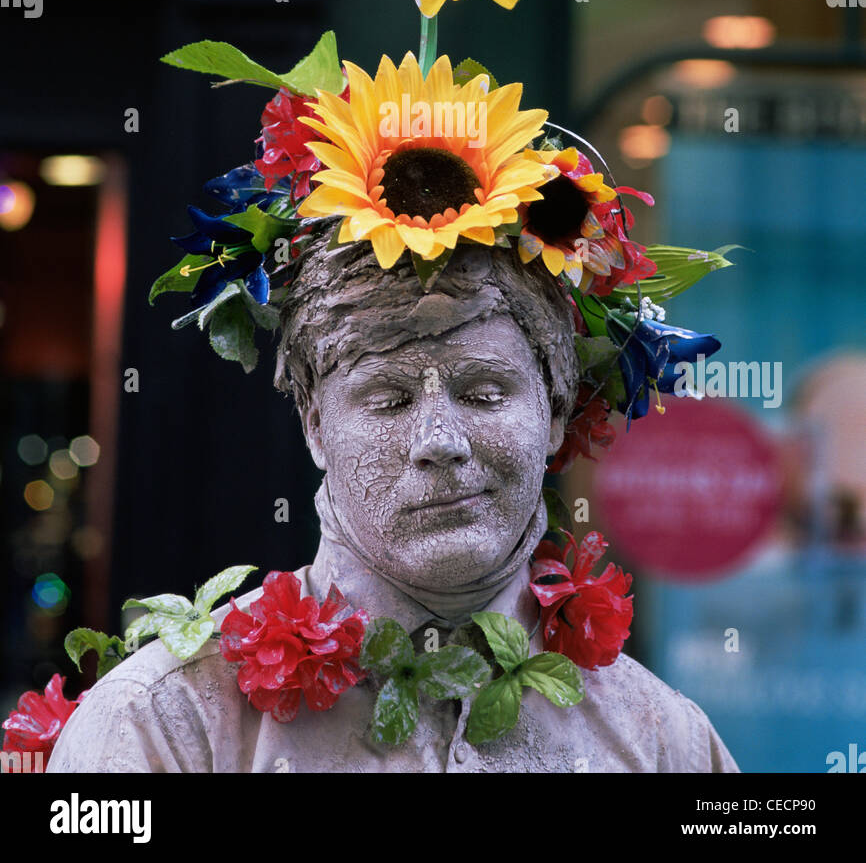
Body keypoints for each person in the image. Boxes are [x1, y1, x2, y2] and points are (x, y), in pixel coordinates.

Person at [47, 231, 738, 773]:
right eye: (388, 400)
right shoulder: (163, 726)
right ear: (315, 426)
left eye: (485, 394)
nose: (440, 441)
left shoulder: (662, 743)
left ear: (555, 412)